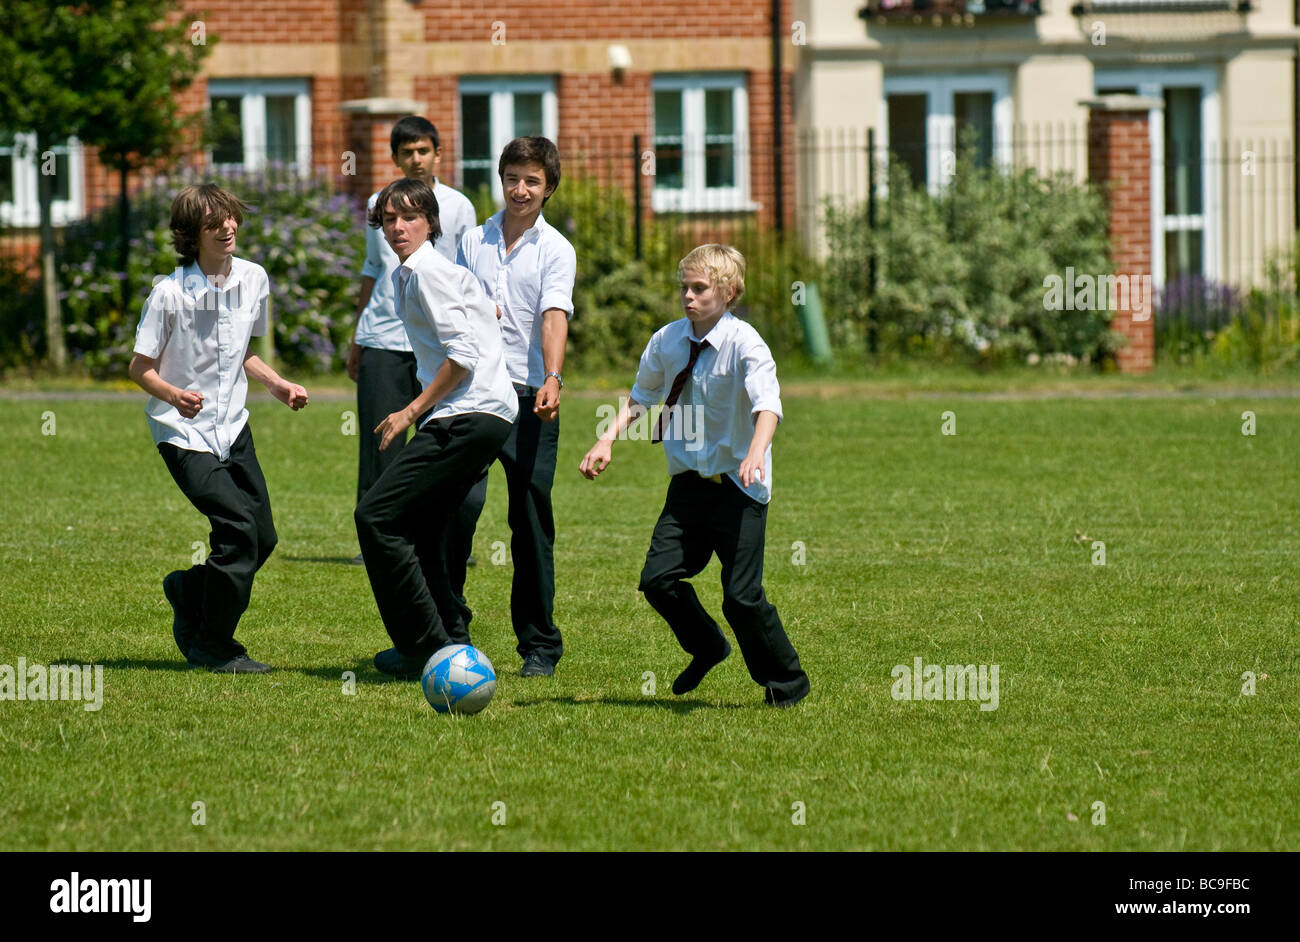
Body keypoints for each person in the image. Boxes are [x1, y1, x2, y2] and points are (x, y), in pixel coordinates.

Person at [578, 244, 810, 707]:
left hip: (740, 487)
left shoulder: (747, 343)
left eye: (699, 288)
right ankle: (707, 646)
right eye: (684, 287)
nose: (688, 296)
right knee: (657, 580)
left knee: (741, 599)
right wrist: (606, 439)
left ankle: (787, 684)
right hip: (688, 484)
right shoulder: (666, 340)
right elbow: (641, 395)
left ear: (729, 291)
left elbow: (768, 405)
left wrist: (756, 453)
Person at [129, 183, 309, 674]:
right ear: (192, 234)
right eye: (215, 222)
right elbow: (140, 367)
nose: (228, 227)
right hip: (183, 435)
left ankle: (190, 590)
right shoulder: (168, 294)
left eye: (231, 217)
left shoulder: (254, 279)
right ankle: (213, 644)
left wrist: (278, 384)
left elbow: (244, 351)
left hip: (233, 429)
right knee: (238, 533)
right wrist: (175, 396)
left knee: (263, 537)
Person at [354, 178, 517, 678]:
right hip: (479, 414)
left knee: (377, 517)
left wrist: (409, 411)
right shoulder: (412, 275)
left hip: (468, 416)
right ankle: (451, 639)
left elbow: (461, 358)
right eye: (388, 219)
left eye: (410, 217)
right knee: (426, 529)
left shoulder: (427, 273)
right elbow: (478, 317)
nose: (398, 227)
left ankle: (422, 648)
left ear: (431, 223)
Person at [450, 136, 576, 677]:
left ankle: (540, 645)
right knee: (456, 511)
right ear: (499, 180)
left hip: (530, 398)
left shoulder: (556, 249)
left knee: (528, 521)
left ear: (548, 189)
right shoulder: (471, 240)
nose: (520, 189)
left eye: (532, 181)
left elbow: (553, 314)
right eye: (512, 178)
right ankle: (448, 632)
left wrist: (552, 376)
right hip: (473, 394)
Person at [345, 116, 478, 563]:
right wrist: (358, 335)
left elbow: (468, 274)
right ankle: (377, 536)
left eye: (423, 150)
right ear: (396, 158)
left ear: (437, 153)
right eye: (407, 152)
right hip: (382, 339)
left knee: (438, 441)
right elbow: (372, 269)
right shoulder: (377, 202)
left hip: (437, 346)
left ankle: (438, 536)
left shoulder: (459, 206)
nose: (416, 159)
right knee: (380, 441)